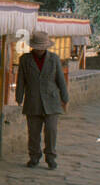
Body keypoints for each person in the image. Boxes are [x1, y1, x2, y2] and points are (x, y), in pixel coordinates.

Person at [16, 30, 69, 170]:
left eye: (42, 47)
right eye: (37, 47)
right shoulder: (25, 60)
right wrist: (19, 97)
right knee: (33, 132)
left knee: (51, 131)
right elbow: (21, 79)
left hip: (51, 101)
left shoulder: (54, 59)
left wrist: (65, 97)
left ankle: (51, 157)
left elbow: (60, 79)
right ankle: (34, 156)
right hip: (33, 101)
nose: (40, 50)